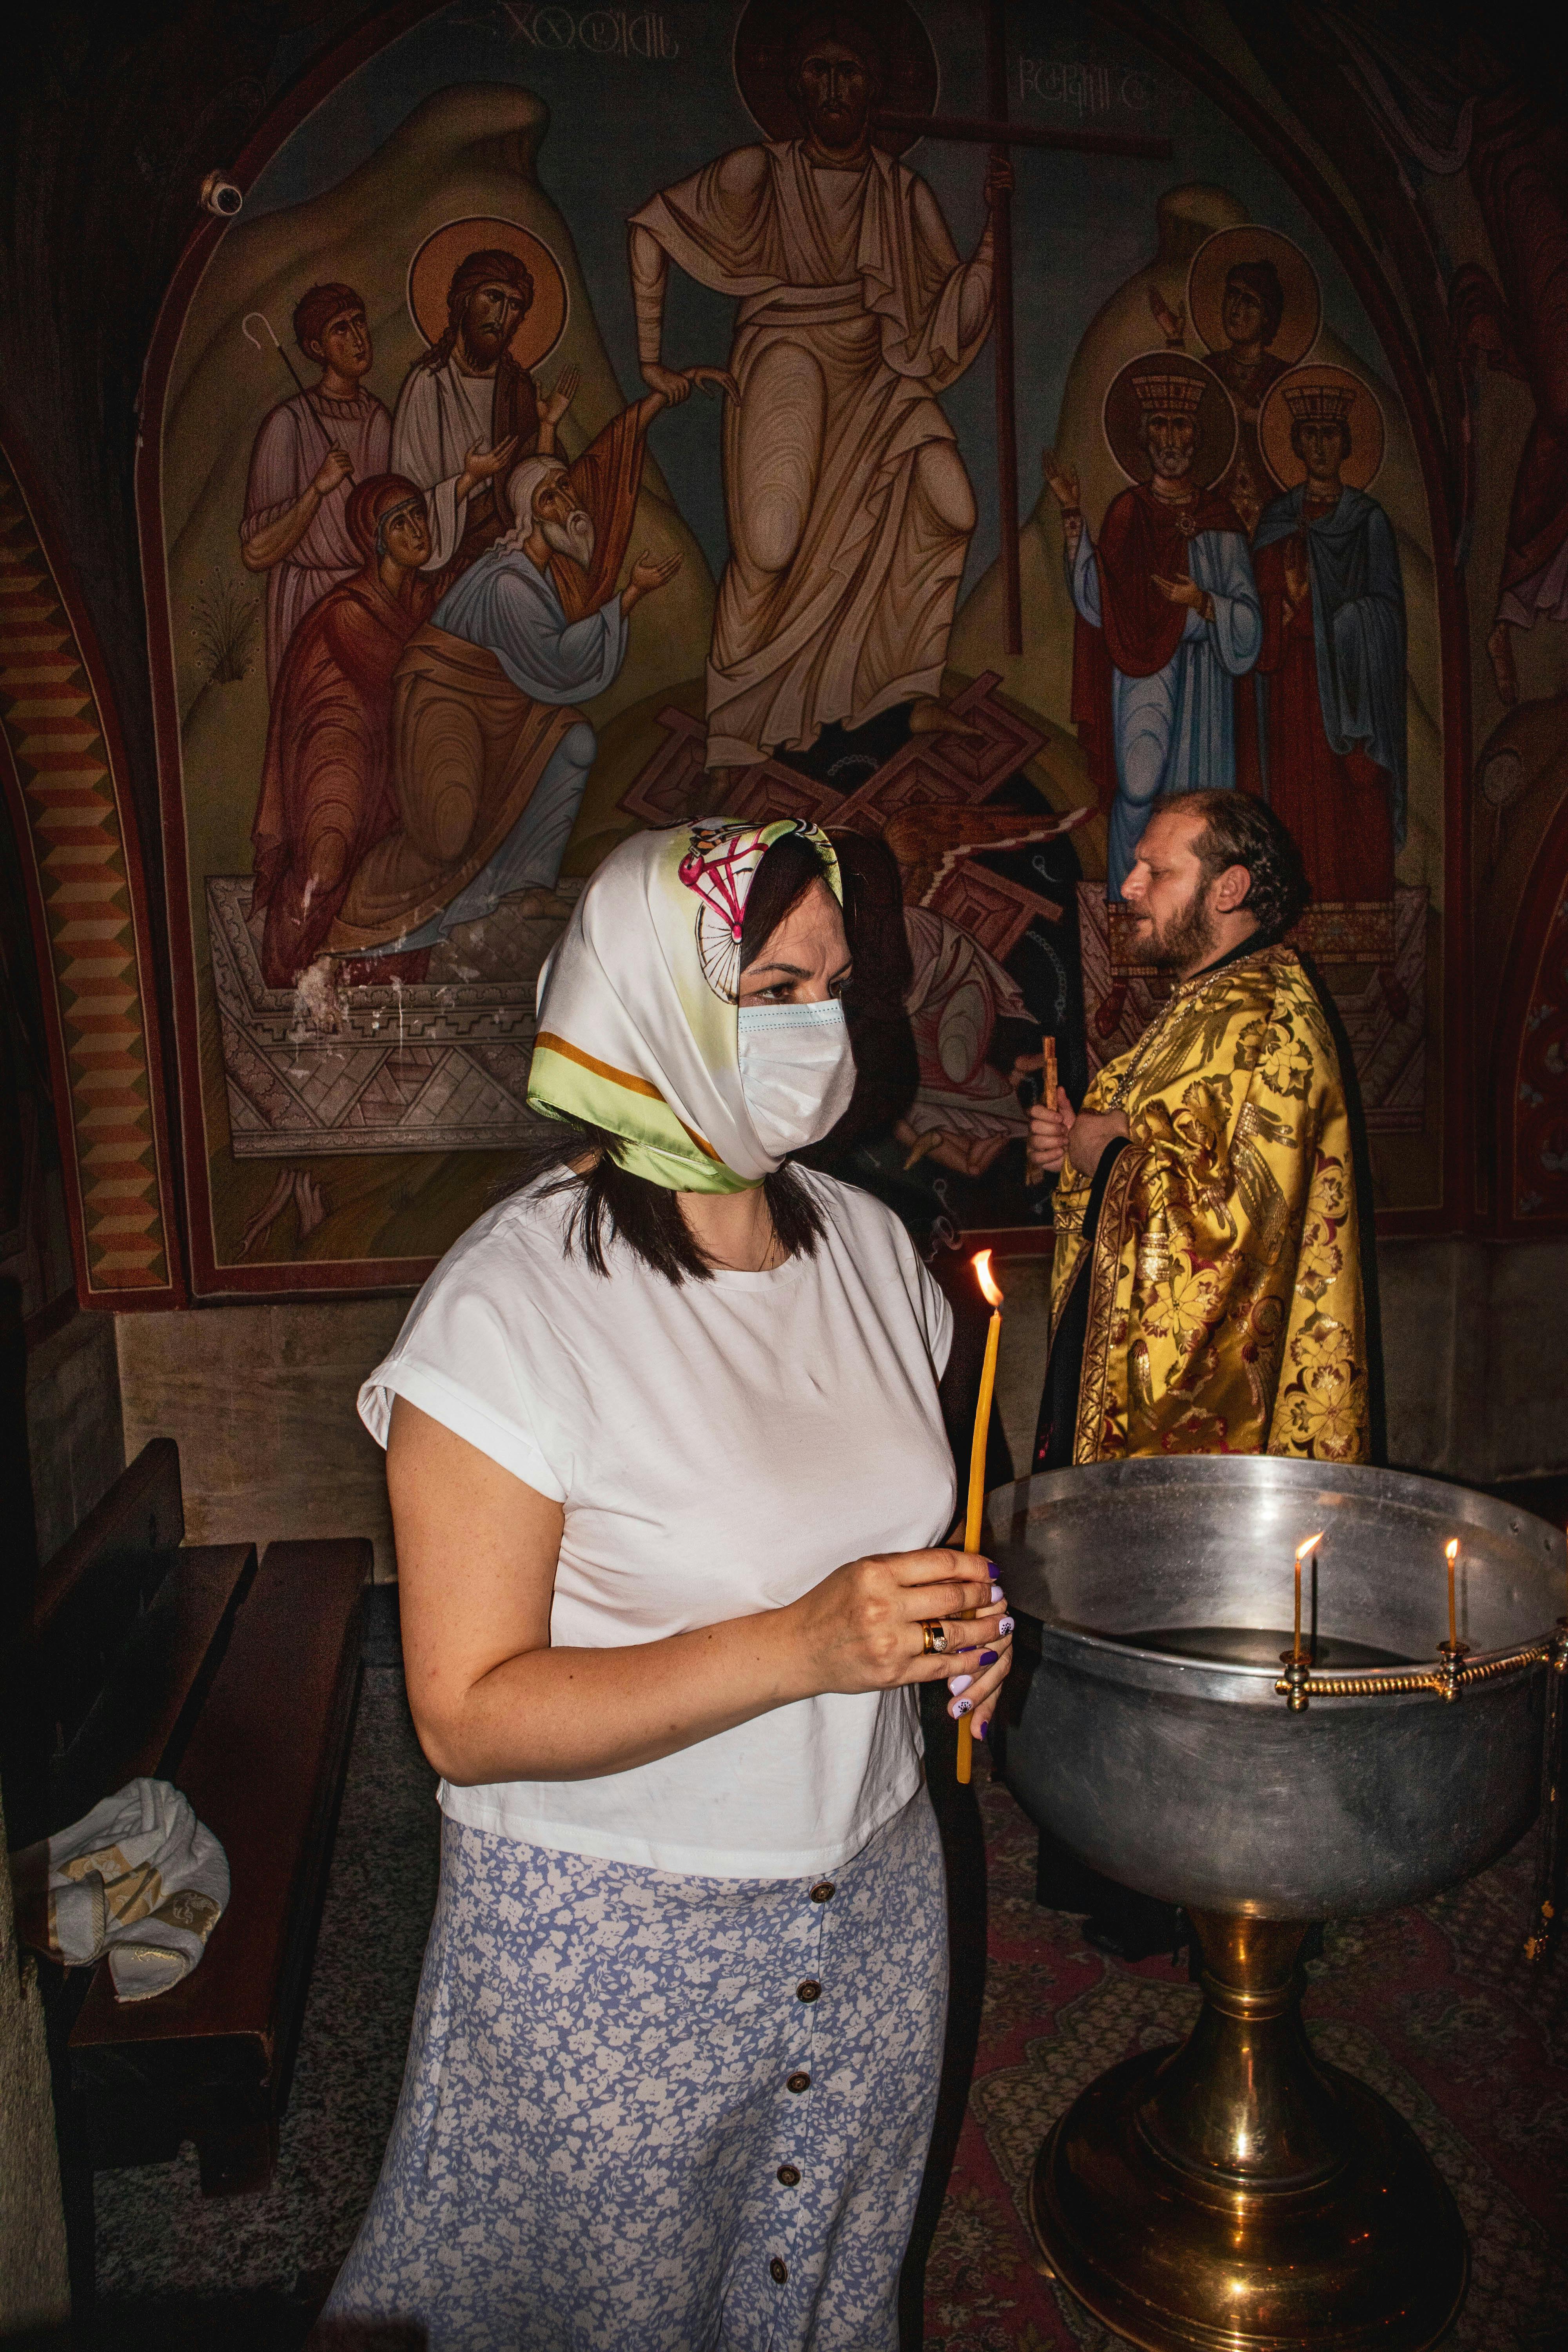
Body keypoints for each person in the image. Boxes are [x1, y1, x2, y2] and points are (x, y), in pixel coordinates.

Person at [318, 817, 1015, 2351]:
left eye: (835, 984)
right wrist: (801, 1643)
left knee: (826, 2284)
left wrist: (954, 1623)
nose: (818, 1028)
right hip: (615, 1950)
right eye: (771, 985)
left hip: (878, 1896)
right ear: (652, 998)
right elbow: (466, 1714)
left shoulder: (873, 1254)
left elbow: (893, 1528)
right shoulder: (514, 1308)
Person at [1026, 789, 1367, 1958]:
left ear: (1228, 887)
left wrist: (1105, 1147)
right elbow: (1150, 1150)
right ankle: (1118, 1849)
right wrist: (1082, 1153)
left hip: (1203, 1409)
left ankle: (1188, 1868)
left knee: (1180, 1629)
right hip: (1131, 1374)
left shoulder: (1267, 1011)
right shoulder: (1201, 1003)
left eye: (1154, 868)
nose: (1127, 887)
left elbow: (1229, 1224)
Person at [628, 15, 1010, 769]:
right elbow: (653, 230)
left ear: (877, 91)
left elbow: (946, 311)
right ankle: (737, 721)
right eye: (819, 71)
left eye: (851, 72)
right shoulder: (759, 174)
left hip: (877, 370)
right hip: (787, 352)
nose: (835, 88)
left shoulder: (903, 195)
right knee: (769, 547)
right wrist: (650, 359)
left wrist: (997, 225)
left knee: (951, 507)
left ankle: (899, 691)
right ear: (794, 88)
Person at [325, 448, 677, 963]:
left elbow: (536, 670)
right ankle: (363, 912)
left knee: (574, 740)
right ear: (528, 515)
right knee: (446, 838)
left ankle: (522, 888)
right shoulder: (508, 582)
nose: (566, 506)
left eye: (565, 491)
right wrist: (628, 598)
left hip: (498, 708)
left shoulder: (536, 574)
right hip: (444, 707)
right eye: (549, 497)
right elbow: (556, 662)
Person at [1045, 372, 1262, 906]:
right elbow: (1099, 599)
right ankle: (1132, 908)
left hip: (1205, 676)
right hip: (1143, 671)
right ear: (1144, 437)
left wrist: (1204, 604)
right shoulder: (1129, 512)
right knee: (1140, 789)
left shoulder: (1220, 519)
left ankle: (1203, 915)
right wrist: (1074, 516)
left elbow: (1249, 618)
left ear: (1196, 437)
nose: (1170, 438)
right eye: (1159, 425)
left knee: (1203, 806)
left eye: (1180, 425)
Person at [249, 474, 436, 987]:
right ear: (376, 540)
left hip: (396, 744)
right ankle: (288, 974)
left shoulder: (428, 601)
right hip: (336, 736)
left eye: (420, 514)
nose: (419, 530)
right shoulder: (348, 610)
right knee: (328, 857)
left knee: (412, 853)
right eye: (401, 523)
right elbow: (399, 671)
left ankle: (372, 978)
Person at [1250, 380, 1406, 915]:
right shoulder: (1276, 522)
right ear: (1295, 444)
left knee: (1350, 798)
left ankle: (1353, 908)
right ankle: (1290, 909)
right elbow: (1259, 606)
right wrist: (1287, 610)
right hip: (1293, 685)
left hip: (1350, 688)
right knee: (1295, 795)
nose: (1319, 446)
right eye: (1310, 435)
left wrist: (1344, 624)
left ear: (1346, 445)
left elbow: (1388, 612)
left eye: (1330, 434)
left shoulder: (1369, 522)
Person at [390, 246, 577, 579]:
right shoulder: (428, 384)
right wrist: (469, 480)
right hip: (447, 566)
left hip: (513, 557)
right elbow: (406, 502)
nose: (502, 314)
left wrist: (548, 425)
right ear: (465, 301)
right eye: (493, 297)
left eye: (515, 305)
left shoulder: (517, 388)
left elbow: (540, 486)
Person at [240, 282, 392, 688]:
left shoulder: (379, 419)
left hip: (368, 598)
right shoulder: (287, 423)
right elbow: (256, 552)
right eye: (340, 329)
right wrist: (317, 489)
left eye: (360, 323)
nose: (359, 339)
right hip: (307, 600)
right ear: (315, 348)